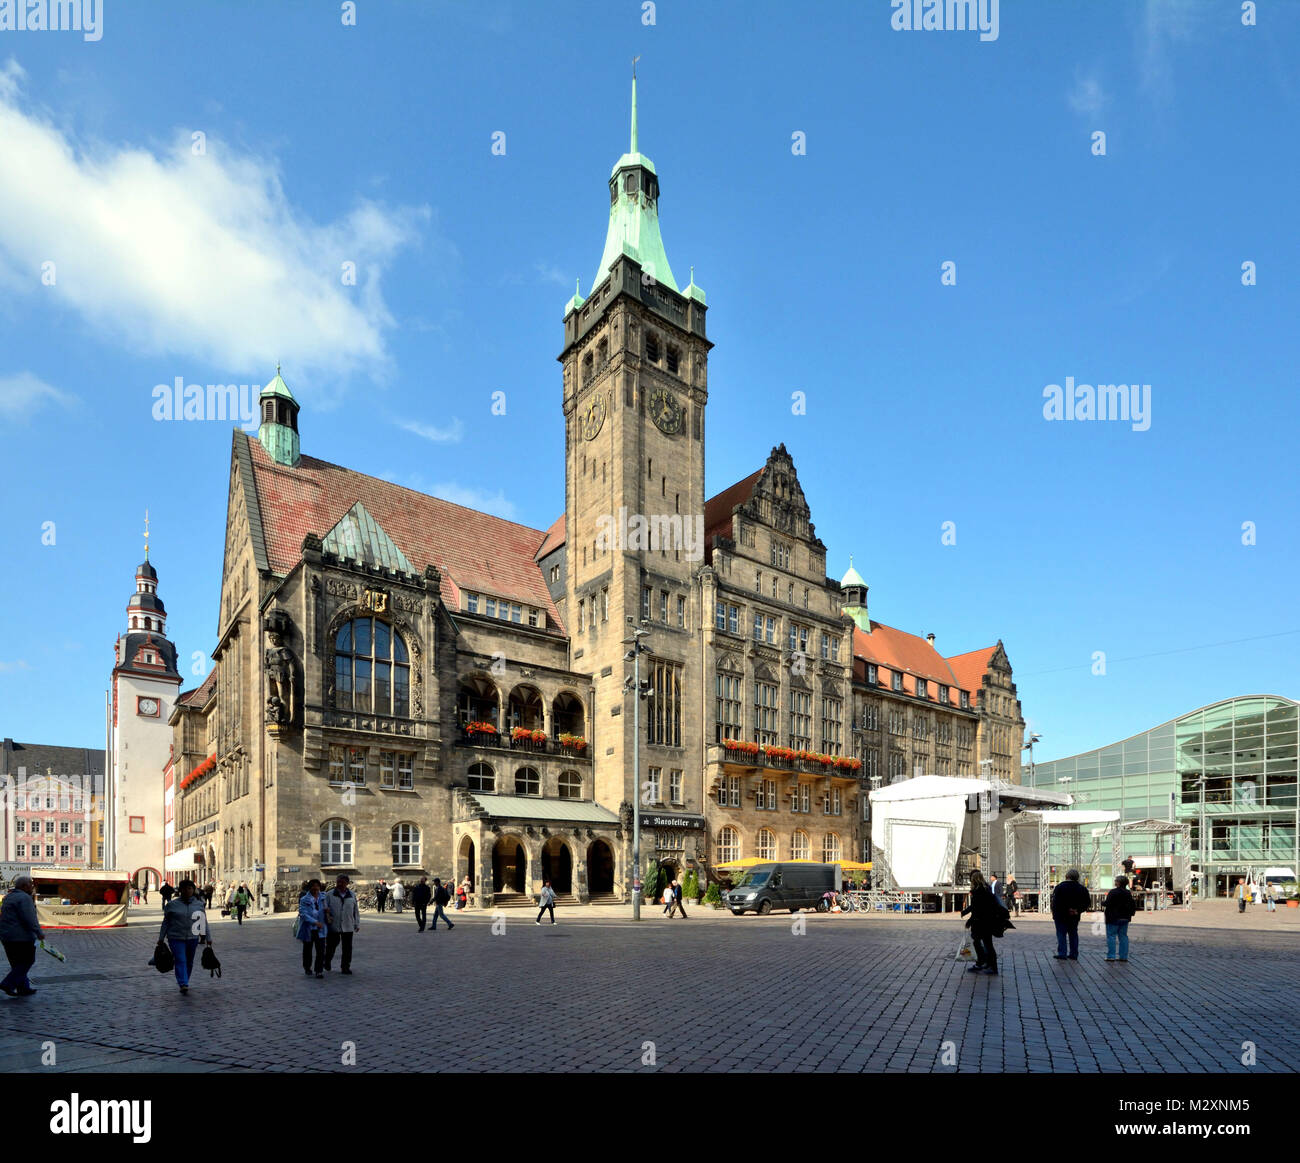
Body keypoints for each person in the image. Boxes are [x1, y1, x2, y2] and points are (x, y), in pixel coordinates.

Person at [158, 879, 211, 995]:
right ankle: (183, 983)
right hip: (175, 937)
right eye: (184, 888)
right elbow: (166, 922)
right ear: (180, 890)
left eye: (190, 888)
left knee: (189, 961)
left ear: (193, 890)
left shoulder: (199, 904)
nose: (187, 891)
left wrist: (207, 937)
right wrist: (161, 938)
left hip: (192, 937)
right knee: (181, 959)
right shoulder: (172, 905)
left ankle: (185, 979)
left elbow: (203, 921)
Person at [1, 874, 45, 997]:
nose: (32, 887)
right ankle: (7, 983)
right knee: (27, 961)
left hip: (7, 937)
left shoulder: (8, 897)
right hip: (22, 937)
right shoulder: (24, 898)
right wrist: (39, 932)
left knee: (17, 963)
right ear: (25, 886)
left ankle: (23, 988)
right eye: (31, 885)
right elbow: (29, 918)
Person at [960, 870, 1010, 975]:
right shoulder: (985, 889)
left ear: (974, 880)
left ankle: (990, 966)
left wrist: (969, 919)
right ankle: (985, 963)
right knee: (981, 943)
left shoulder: (979, 891)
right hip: (986, 921)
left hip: (982, 923)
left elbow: (977, 908)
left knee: (985, 944)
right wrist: (966, 913)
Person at [1050, 869, 1091, 960]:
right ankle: (1074, 953)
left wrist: (1055, 913)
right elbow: (1087, 902)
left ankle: (1062, 953)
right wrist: (1077, 910)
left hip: (1061, 915)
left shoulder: (1060, 887)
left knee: (1061, 934)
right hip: (1074, 915)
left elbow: (1056, 902)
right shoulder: (1082, 888)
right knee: (1073, 934)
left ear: (1066, 876)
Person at [323, 875, 360, 974]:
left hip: (348, 925)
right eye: (338, 882)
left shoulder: (352, 895)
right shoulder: (329, 894)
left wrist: (357, 923)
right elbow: (325, 909)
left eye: (342, 882)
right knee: (331, 946)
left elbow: (355, 910)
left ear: (347, 883)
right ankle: (326, 961)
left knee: (347, 948)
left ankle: (345, 967)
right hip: (333, 925)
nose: (340, 884)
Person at [297, 879, 328, 978]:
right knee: (307, 950)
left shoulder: (323, 898)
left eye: (317, 886)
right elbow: (303, 914)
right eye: (313, 886)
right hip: (309, 929)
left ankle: (319, 970)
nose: (315, 888)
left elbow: (326, 909)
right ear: (309, 888)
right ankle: (307, 967)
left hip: (320, 929)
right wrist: (315, 922)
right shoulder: (304, 899)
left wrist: (328, 912)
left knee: (321, 950)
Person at [1104, 874, 1137, 961]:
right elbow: (1132, 905)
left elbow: (1108, 903)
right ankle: (1123, 956)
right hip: (1125, 918)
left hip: (1113, 918)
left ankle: (1111, 956)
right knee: (1123, 936)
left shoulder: (1113, 892)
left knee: (1111, 936)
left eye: (1116, 880)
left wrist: (1102, 903)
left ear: (1118, 883)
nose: (1115, 882)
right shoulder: (1128, 893)